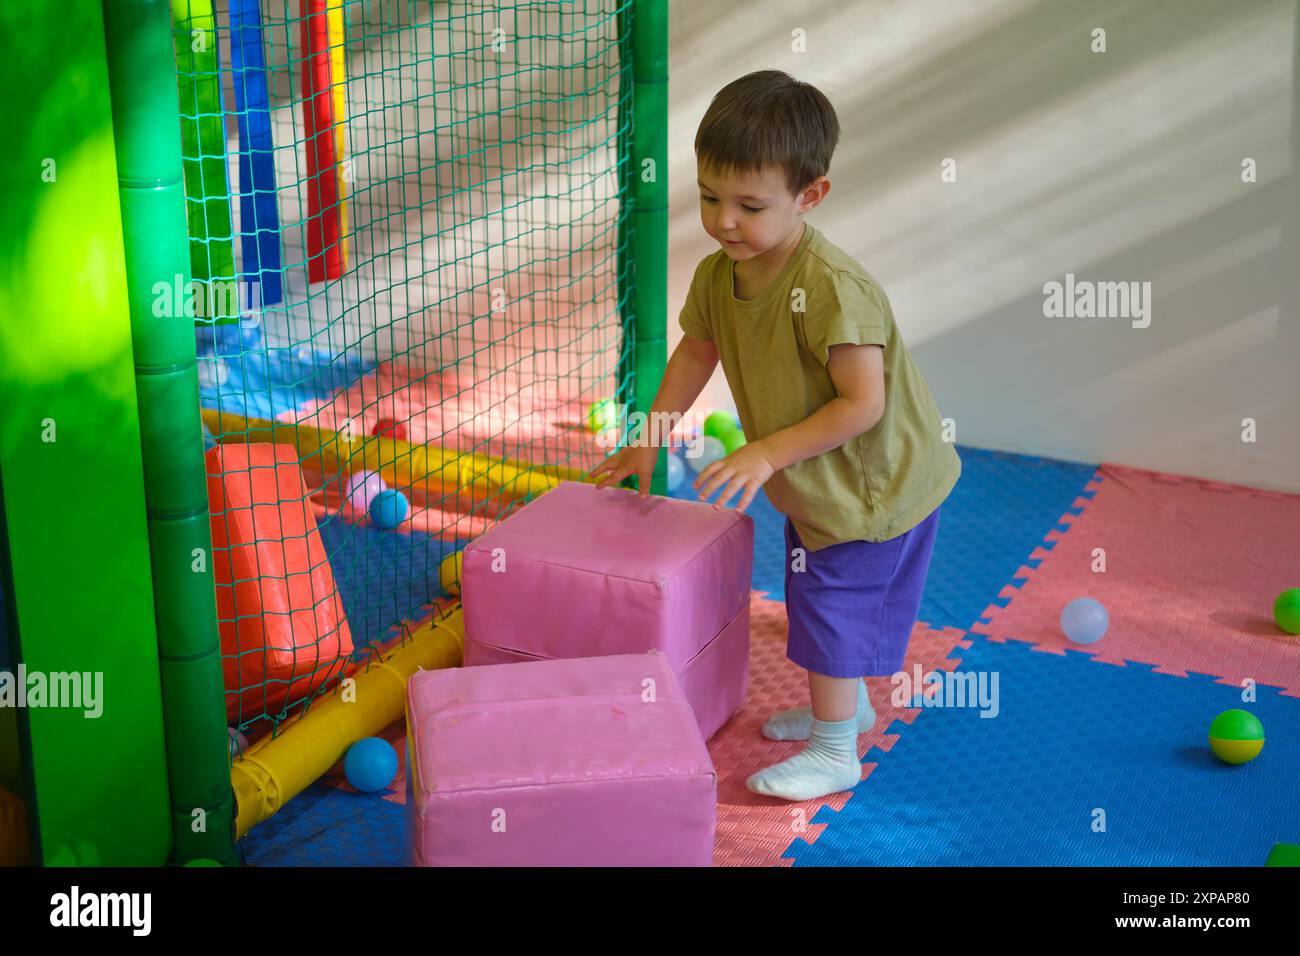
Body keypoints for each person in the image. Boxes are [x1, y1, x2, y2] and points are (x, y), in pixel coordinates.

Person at [591, 69, 960, 802]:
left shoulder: (831, 288)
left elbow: (862, 403)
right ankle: (843, 705)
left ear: (810, 195)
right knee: (812, 596)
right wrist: (653, 435)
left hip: (870, 489)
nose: (724, 220)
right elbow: (697, 350)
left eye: (749, 205)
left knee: (830, 608)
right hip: (816, 484)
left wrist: (762, 451)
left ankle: (836, 751)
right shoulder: (718, 274)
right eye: (709, 197)